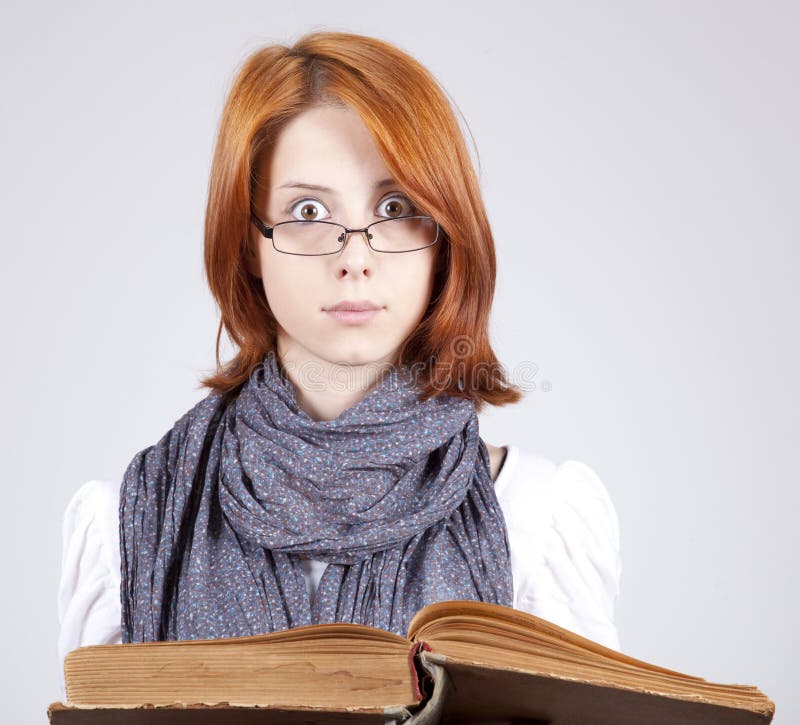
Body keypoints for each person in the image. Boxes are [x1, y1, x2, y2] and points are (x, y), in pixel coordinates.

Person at [56, 30, 622, 698]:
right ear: (248, 243)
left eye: (395, 208)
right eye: (308, 211)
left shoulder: (539, 516)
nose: (356, 256)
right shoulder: (131, 522)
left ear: (444, 236)